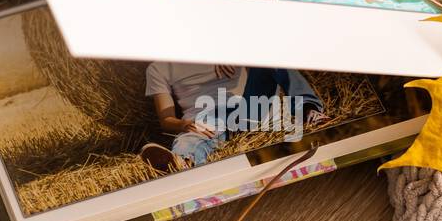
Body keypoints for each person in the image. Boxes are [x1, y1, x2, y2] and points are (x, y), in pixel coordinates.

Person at [139, 63, 328, 172]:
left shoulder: (227, 40)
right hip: (206, 119)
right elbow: (166, 120)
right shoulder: (158, 68)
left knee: (268, 55)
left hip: (247, 108)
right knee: (189, 138)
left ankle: (308, 109)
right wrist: (184, 124)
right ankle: (182, 162)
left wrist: (236, 51)